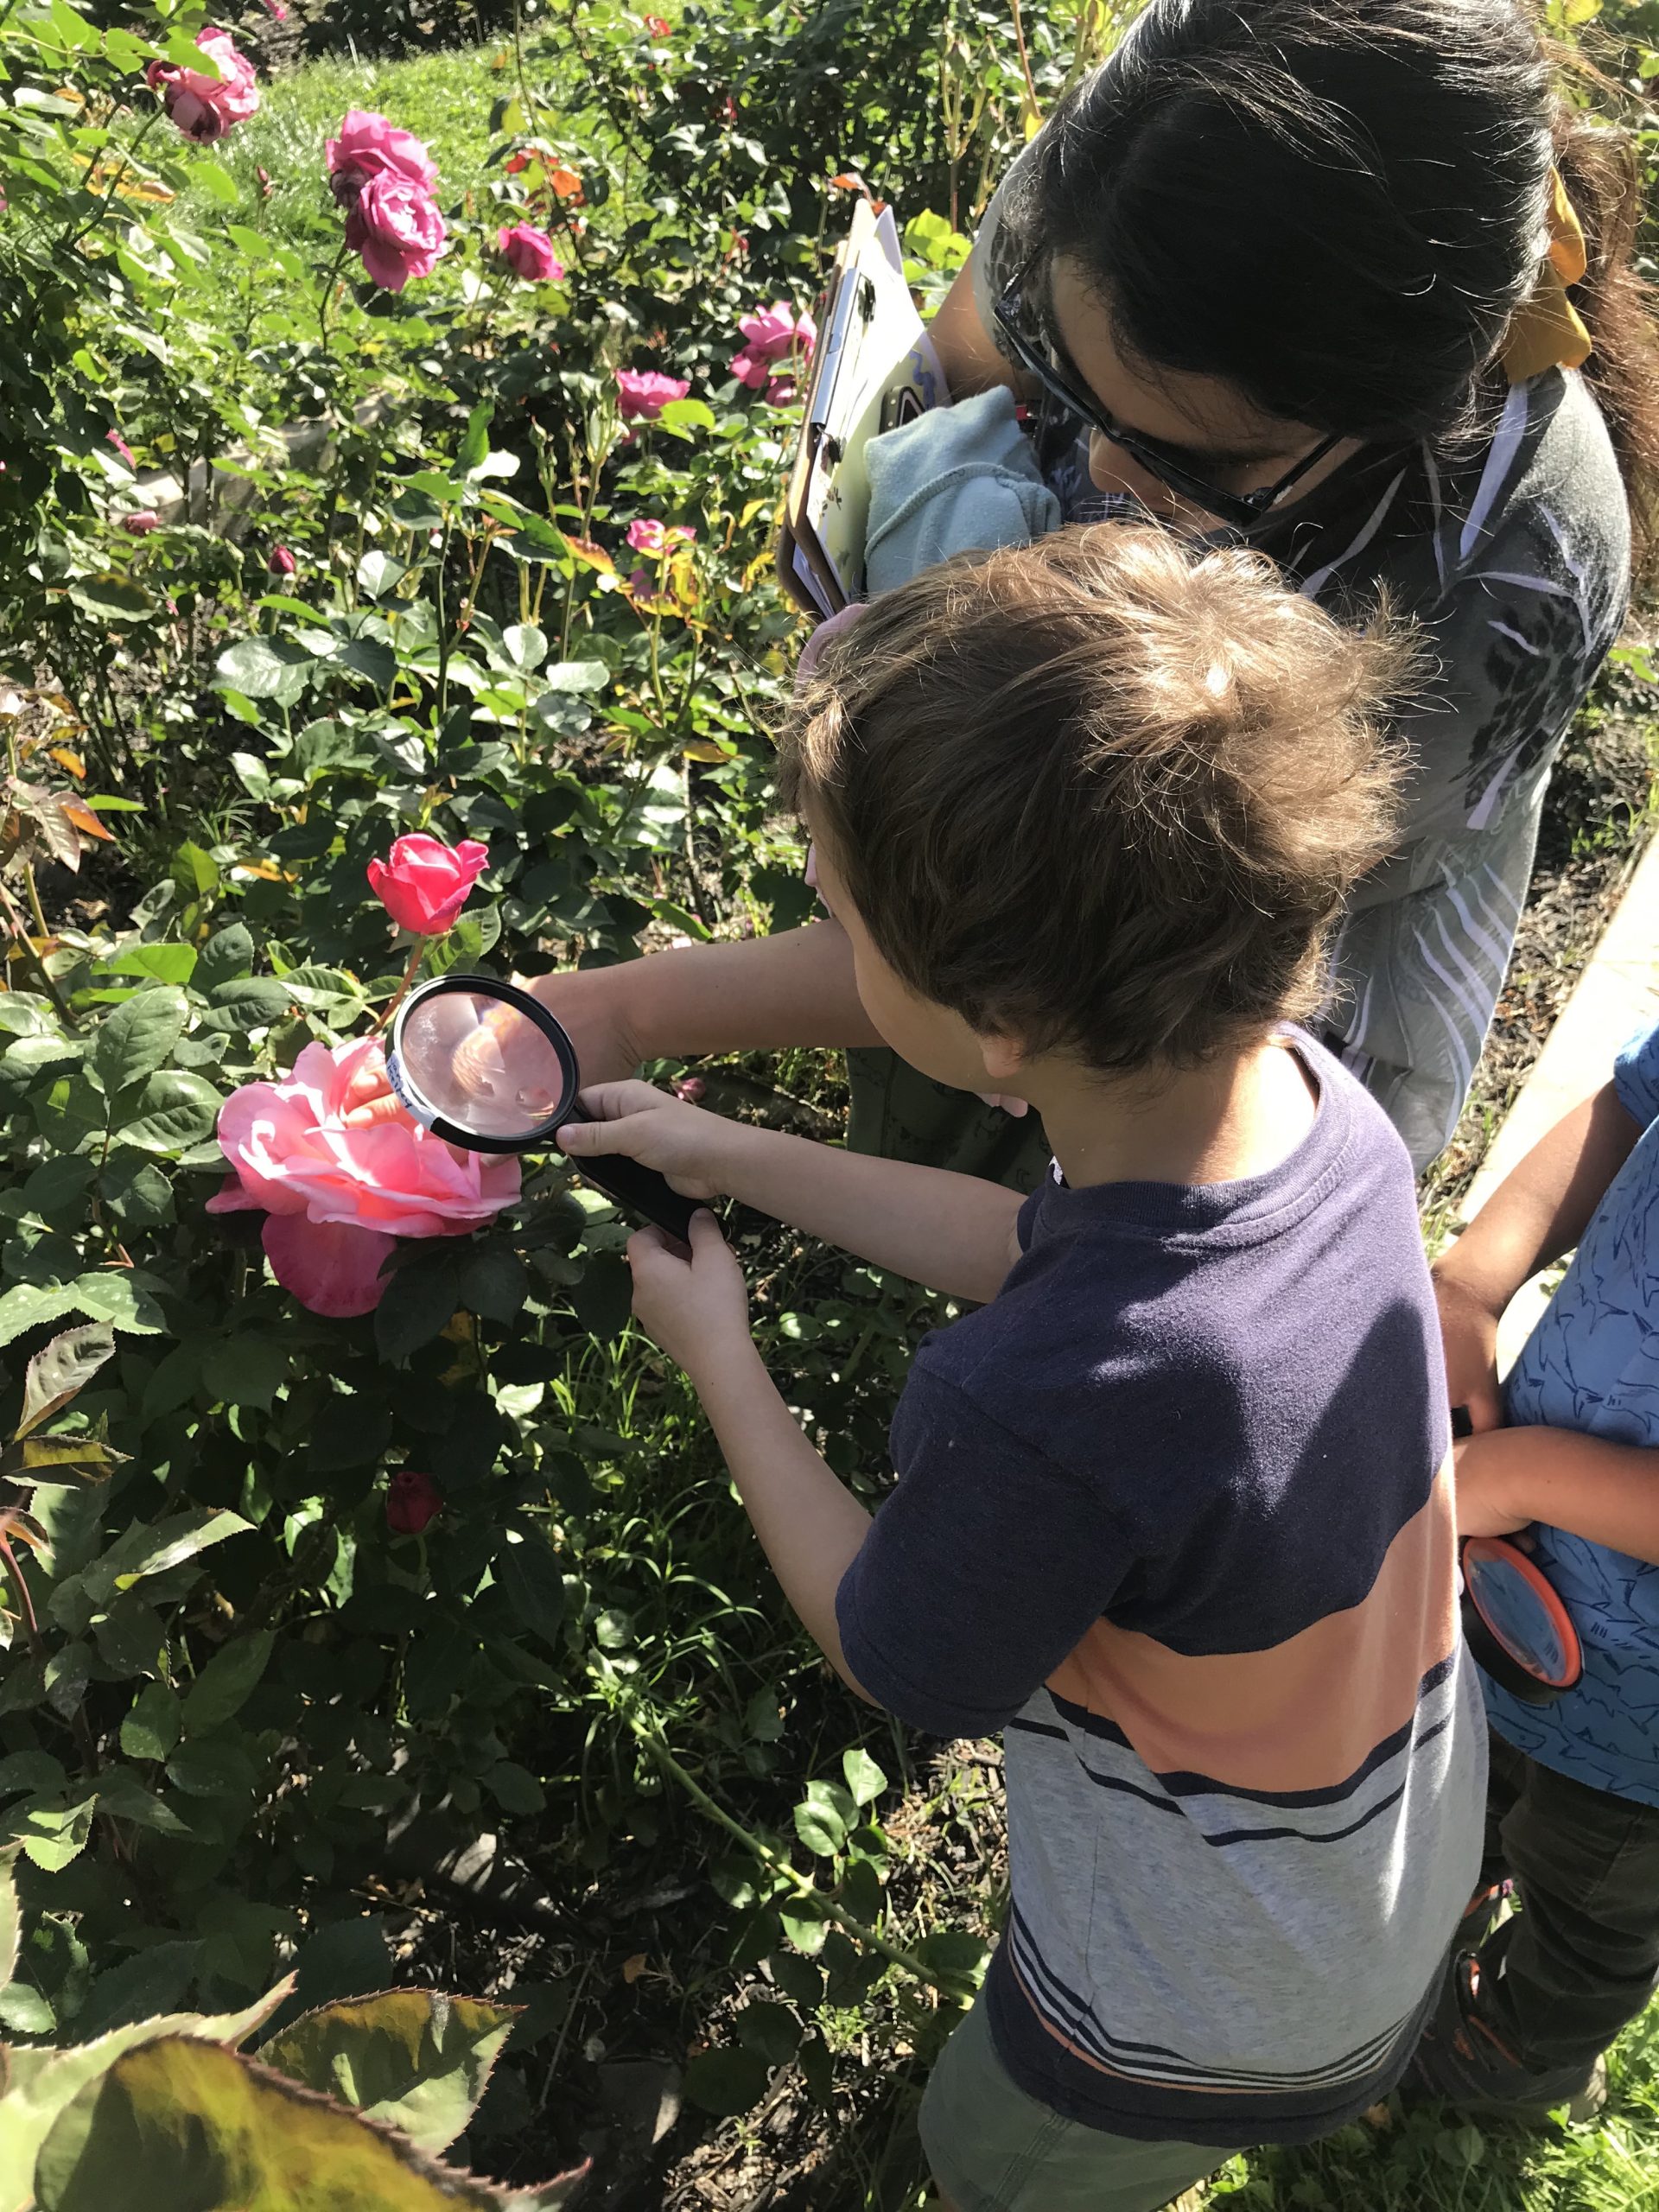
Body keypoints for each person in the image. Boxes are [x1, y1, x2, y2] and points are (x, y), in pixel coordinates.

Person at [556, 525, 1486, 2211]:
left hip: (1178, 2013)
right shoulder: (1305, 1114)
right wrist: (731, 1151)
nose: (825, 933)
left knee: (985, 2162)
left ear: (993, 1022)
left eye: (840, 917)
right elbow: (1050, 1247)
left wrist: (722, 1352)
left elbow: (895, 1645)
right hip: (1374, 1864)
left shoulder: (1042, 1405)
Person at [351, 0, 1655, 1185]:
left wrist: (632, 1008)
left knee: (1097, 1228)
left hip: (1208, 1021)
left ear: (1399, 408)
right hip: (1044, 897)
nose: (1091, 465)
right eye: (1076, 389)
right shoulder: (1137, 180)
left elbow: (1079, 943)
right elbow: (966, 352)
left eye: (1196, 463)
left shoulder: (1501, 575)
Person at [1415, 1027, 1659, 2117]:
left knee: (1590, 1919)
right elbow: (1626, 1103)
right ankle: (1439, 1902)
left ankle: (1513, 2061)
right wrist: (1473, 1278)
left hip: (1639, 1744)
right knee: (1466, 1784)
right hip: (1515, 1583)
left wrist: (1524, 1472)